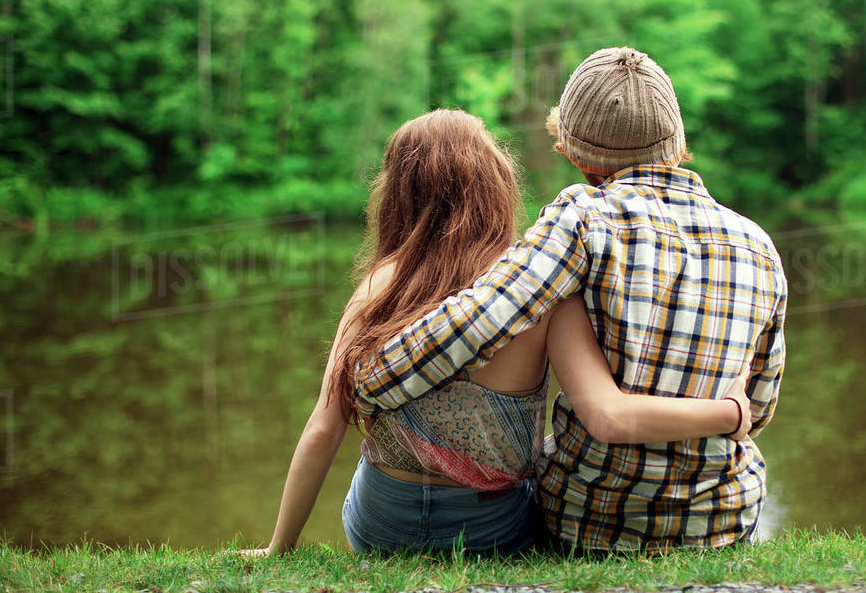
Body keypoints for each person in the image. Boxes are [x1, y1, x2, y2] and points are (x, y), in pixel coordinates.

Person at [245, 109, 753, 556]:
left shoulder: (379, 285)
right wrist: (730, 413)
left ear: (399, 192)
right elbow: (606, 410)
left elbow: (323, 428)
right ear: (494, 181)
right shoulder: (543, 291)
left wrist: (279, 547)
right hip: (491, 529)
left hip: (382, 523)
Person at [355, 48, 788, 553]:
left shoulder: (582, 215)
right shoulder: (757, 243)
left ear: (576, 155)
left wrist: (375, 380)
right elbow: (757, 405)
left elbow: (482, 319)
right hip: (721, 522)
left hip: (593, 522)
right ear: (678, 143)